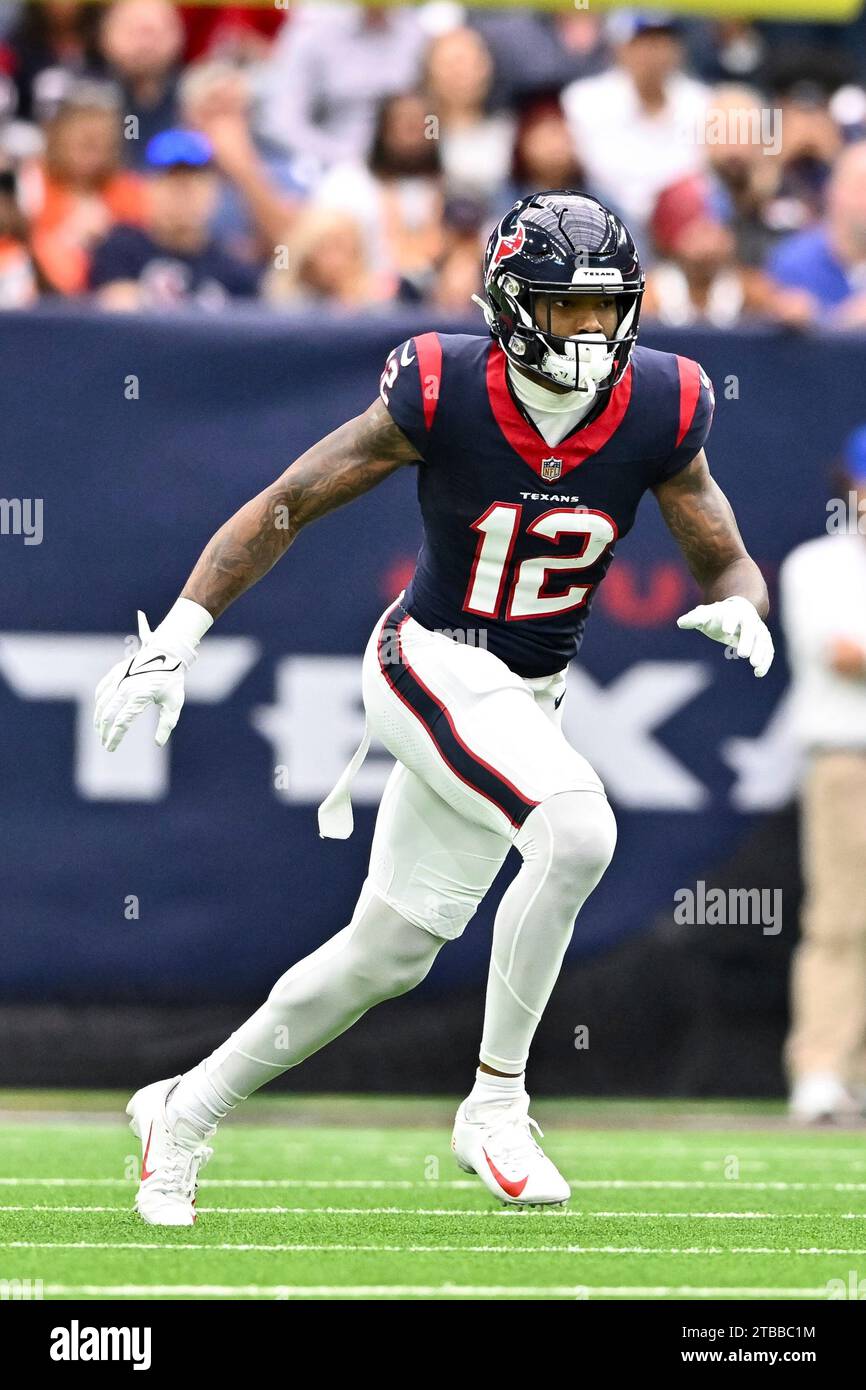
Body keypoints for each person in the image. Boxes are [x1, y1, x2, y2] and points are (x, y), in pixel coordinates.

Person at [93, 190, 774, 1224]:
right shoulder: (442, 385)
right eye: (565, 308)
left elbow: (718, 550)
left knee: (388, 953)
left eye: (604, 308)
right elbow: (288, 500)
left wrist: (740, 607)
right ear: (508, 305)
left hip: (525, 694)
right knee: (575, 827)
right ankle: (495, 1102)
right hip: (429, 658)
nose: (590, 333)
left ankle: (182, 1109)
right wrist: (176, 637)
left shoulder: (663, 402)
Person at [780, 427, 866, 1123]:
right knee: (844, 921)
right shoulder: (819, 564)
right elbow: (843, 653)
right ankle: (821, 1075)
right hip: (850, 761)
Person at [88, 127, 259, 308]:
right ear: (148, 186)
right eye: (171, 179)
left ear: (214, 191)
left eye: (193, 181)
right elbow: (114, 309)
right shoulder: (121, 248)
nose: (182, 191)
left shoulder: (231, 266)